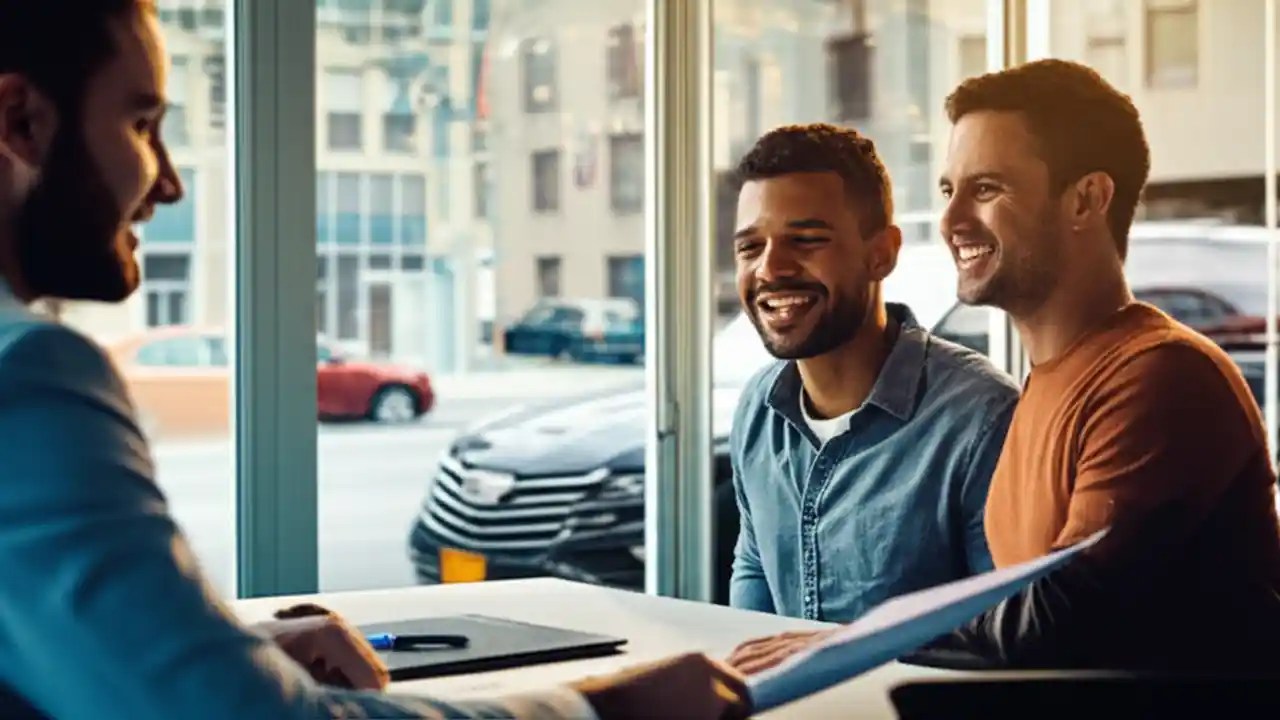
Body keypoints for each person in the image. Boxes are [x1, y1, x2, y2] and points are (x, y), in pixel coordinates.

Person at [0, 3, 748, 719]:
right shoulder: (33, 373)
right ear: (20, 120)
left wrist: (228, 652)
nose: (168, 181)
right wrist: (602, 708)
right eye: (142, 124)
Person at [734, 59, 1280, 676]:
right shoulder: (1044, 386)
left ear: (1086, 199)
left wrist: (846, 644)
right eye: (949, 191)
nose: (950, 221)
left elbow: (1058, 617)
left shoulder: (1161, 377)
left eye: (986, 189)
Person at [722, 124, 1019, 672]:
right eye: (750, 247)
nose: (770, 268)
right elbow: (756, 573)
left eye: (805, 240)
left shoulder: (981, 418)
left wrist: (847, 649)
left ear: (880, 254)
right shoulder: (757, 409)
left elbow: (1008, 630)